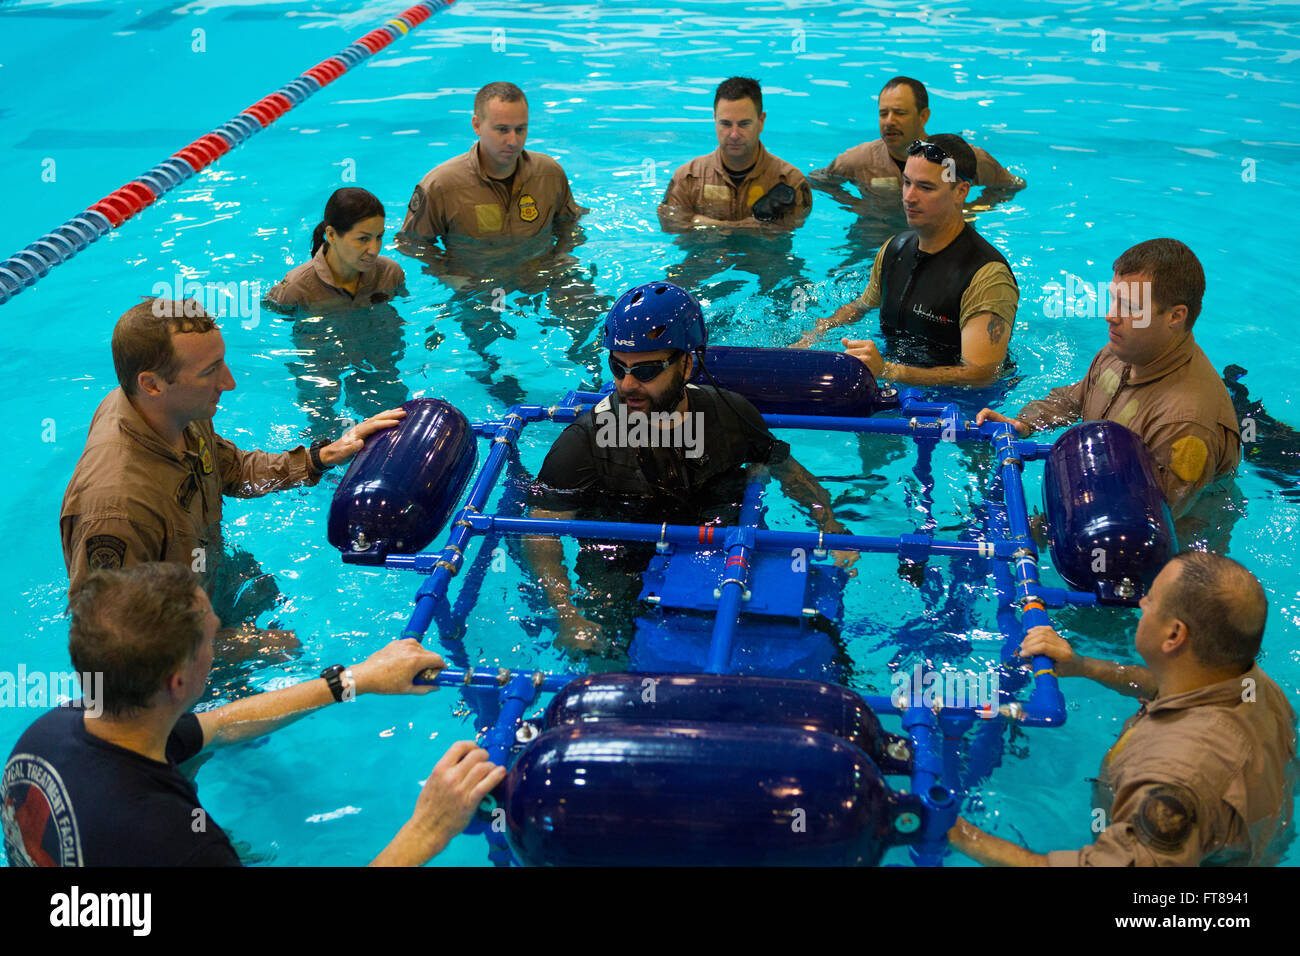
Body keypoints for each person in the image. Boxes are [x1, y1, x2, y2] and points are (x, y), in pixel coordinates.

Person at [0, 562, 504, 866]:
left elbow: (219, 724)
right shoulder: (175, 842)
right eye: (211, 641)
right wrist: (429, 828)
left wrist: (358, 679)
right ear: (178, 682)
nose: (219, 648)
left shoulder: (51, 732)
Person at [523, 281, 857, 656]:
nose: (627, 385)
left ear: (687, 364)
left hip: (719, 548)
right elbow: (540, 527)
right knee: (608, 650)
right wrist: (568, 615)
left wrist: (829, 526)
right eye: (618, 367)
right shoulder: (586, 439)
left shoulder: (731, 414)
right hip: (622, 560)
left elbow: (788, 471)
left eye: (646, 370)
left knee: (806, 635)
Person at [949, 552, 1296, 866]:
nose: (1141, 601)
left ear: (1174, 635)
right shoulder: (1249, 682)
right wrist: (1083, 666)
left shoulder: (1173, 778)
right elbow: (1165, 685)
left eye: (1152, 599)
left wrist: (955, 832)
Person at [60, 298, 405, 598]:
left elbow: (233, 470)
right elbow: (115, 646)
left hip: (203, 574)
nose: (229, 382)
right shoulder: (116, 511)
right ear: (151, 384)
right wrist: (228, 645)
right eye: (211, 370)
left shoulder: (175, 410)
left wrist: (321, 457)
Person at [976, 238, 1240, 518]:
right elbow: (1074, 399)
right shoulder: (1125, 351)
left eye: (1128, 307)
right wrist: (1024, 423)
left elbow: (1148, 522)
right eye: (1113, 299)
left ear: (1175, 316)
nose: (1110, 316)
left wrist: (1042, 529)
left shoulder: (1186, 424)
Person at [796, 135, 1019, 390]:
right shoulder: (894, 249)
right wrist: (814, 335)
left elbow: (981, 375)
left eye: (925, 187)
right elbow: (860, 306)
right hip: (898, 383)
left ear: (960, 192)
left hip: (961, 408)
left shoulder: (986, 276)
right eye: (907, 183)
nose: (909, 197)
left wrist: (890, 371)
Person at [399, 81, 584, 243]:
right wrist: (449, 275)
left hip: (541, 272)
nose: (513, 141)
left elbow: (570, 222)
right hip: (476, 281)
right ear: (477, 125)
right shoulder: (441, 186)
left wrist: (563, 255)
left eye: (520, 129)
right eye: (502, 130)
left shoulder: (549, 174)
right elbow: (412, 243)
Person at [815, 76, 1021, 197]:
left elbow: (1011, 185)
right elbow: (819, 180)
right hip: (875, 237)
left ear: (923, 116)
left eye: (900, 113)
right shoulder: (859, 160)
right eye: (883, 113)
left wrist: (973, 209)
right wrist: (854, 204)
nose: (889, 121)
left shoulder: (959, 158)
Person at [657, 76, 812, 233]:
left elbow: (793, 228)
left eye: (744, 124)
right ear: (714, 120)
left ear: (761, 121)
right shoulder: (688, 178)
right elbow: (671, 226)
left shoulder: (790, 181)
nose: (734, 134)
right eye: (726, 124)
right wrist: (749, 226)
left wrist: (705, 223)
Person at [265, 187, 407, 313]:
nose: (374, 250)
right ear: (331, 235)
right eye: (363, 239)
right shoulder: (296, 289)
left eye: (379, 236)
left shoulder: (390, 274)